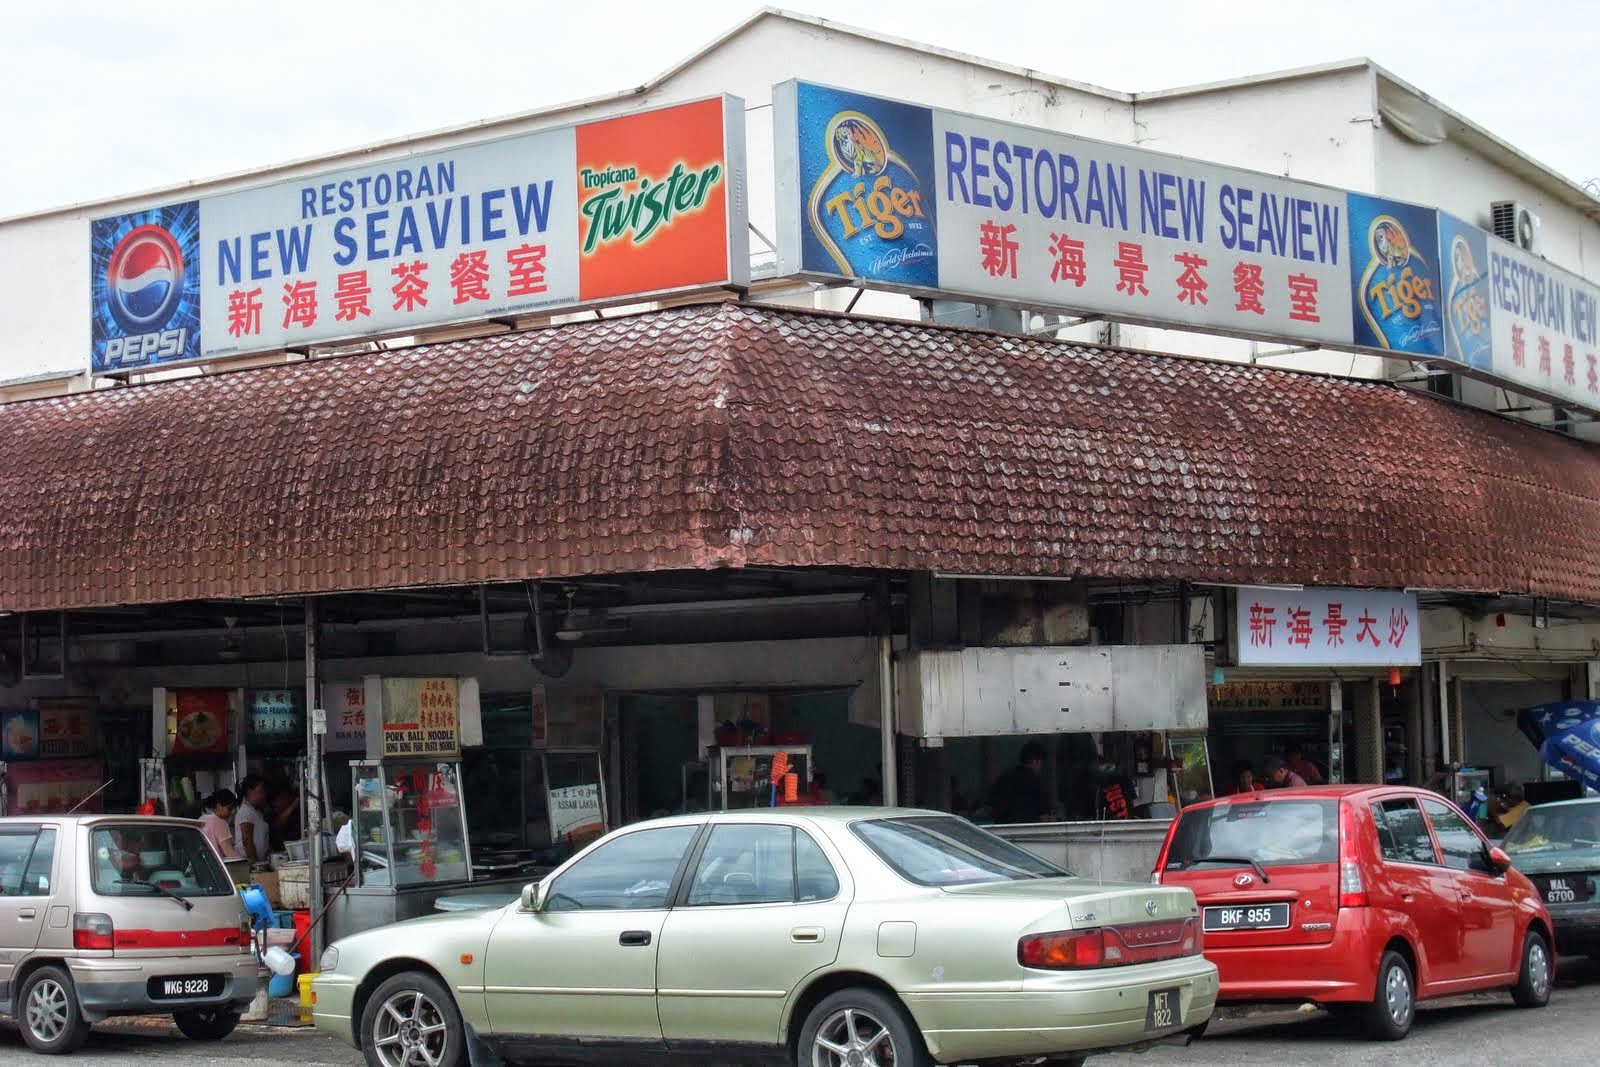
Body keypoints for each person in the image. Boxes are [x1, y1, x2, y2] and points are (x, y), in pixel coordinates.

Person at [986, 742, 1055, 823]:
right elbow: (1045, 814)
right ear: (1036, 761)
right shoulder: (1036, 783)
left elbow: (989, 808)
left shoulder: (1004, 777)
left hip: (1002, 830)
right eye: (1041, 763)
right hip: (1029, 830)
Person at [234, 775, 270, 863]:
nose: (263, 795)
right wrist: (256, 864)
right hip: (250, 865)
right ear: (250, 791)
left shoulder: (256, 812)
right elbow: (247, 841)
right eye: (260, 792)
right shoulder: (245, 811)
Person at [198, 789, 241, 859]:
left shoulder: (202, 818)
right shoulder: (220, 822)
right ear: (218, 806)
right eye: (229, 809)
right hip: (214, 866)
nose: (232, 812)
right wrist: (246, 862)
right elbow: (229, 853)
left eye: (233, 809)